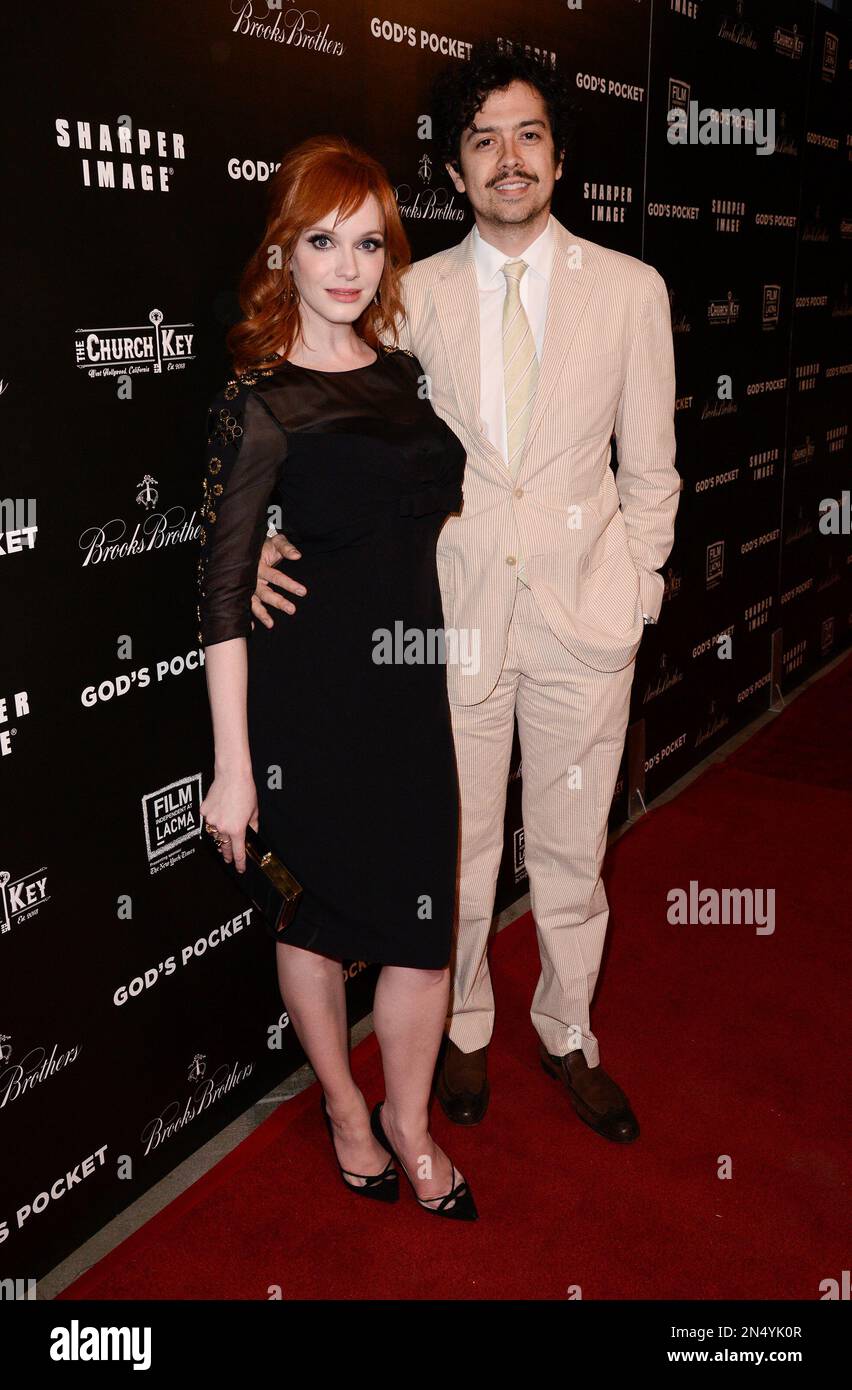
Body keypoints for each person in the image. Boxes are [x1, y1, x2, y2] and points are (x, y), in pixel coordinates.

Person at [253, 43, 680, 1144]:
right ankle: (471, 1028)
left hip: (585, 627)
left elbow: (653, 468)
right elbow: (319, 405)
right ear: (454, 166)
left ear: (561, 155)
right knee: (461, 854)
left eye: (527, 134)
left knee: (573, 857)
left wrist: (635, 593)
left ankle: (571, 1030)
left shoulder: (633, 292)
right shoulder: (409, 295)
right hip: (450, 629)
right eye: (483, 138)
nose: (508, 158)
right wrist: (257, 529)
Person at [196, 134, 476, 1219]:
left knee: (422, 926)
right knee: (312, 918)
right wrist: (232, 767)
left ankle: (407, 1120)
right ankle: (347, 1110)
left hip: (410, 694)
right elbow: (221, 594)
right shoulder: (260, 399)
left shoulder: (402, 374)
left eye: (367, 241)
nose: (348, 265)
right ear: (285, 254)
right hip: (309, 705)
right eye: (323, 241)